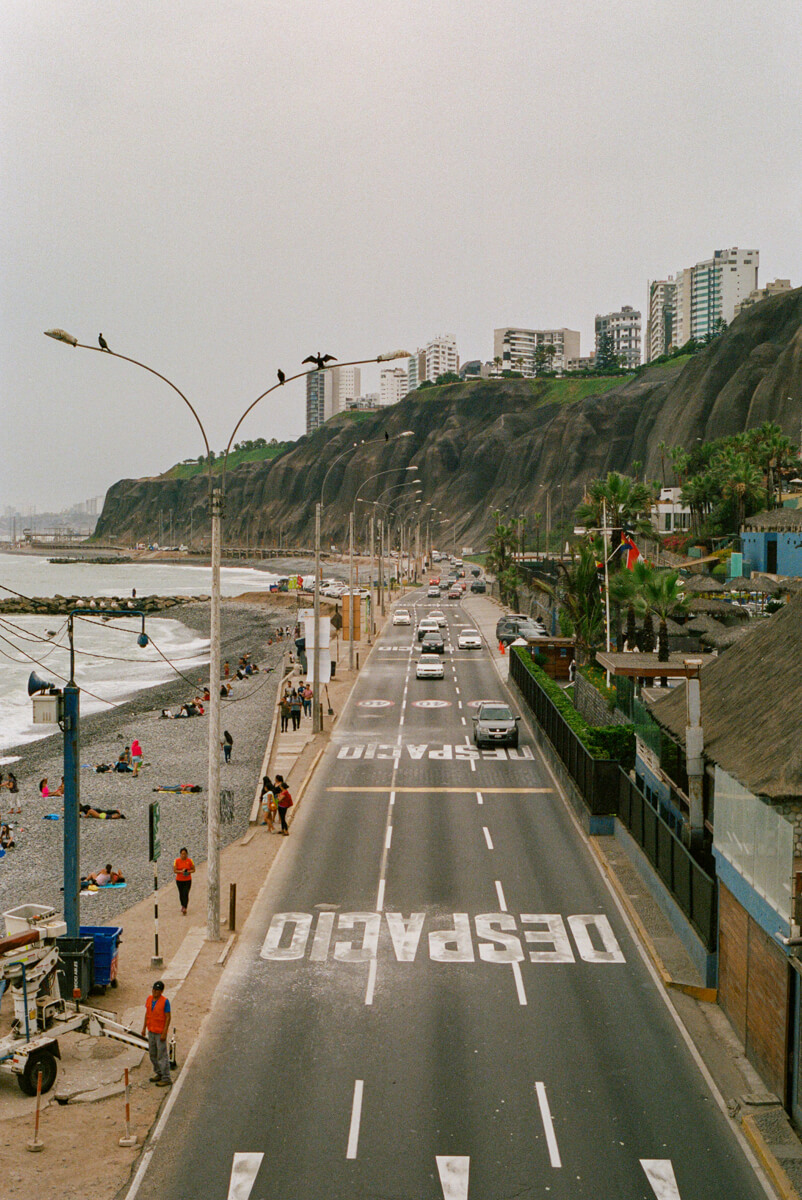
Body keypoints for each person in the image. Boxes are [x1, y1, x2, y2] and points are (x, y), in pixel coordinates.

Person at [140, 981, 172, 1087]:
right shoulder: (149, 999)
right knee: (153, 1054)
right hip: (151, 1031)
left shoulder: (165, 1002)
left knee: (162, 1056)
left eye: (157, 990)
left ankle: (166, 1077)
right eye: (153, 989)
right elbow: (147, 1014)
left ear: (161, 991)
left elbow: (168, 1017)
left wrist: (164, 1033)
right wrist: (144, 1028)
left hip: (159, 1033)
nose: (154, 992)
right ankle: (159, 1073)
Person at [173, 847, 195, 915]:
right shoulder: (176, 861)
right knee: (181, 893)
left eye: (185, 854)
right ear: (180, 854)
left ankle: (185, 907)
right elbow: (175, 870)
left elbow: (193, 870)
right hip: (179, 880)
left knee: (186, 893)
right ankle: (183, 905)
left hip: (187, 880)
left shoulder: (190, 861)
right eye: (182, 854)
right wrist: (181, 871)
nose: (183, 855)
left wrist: (188, 871)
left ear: (187, 854)